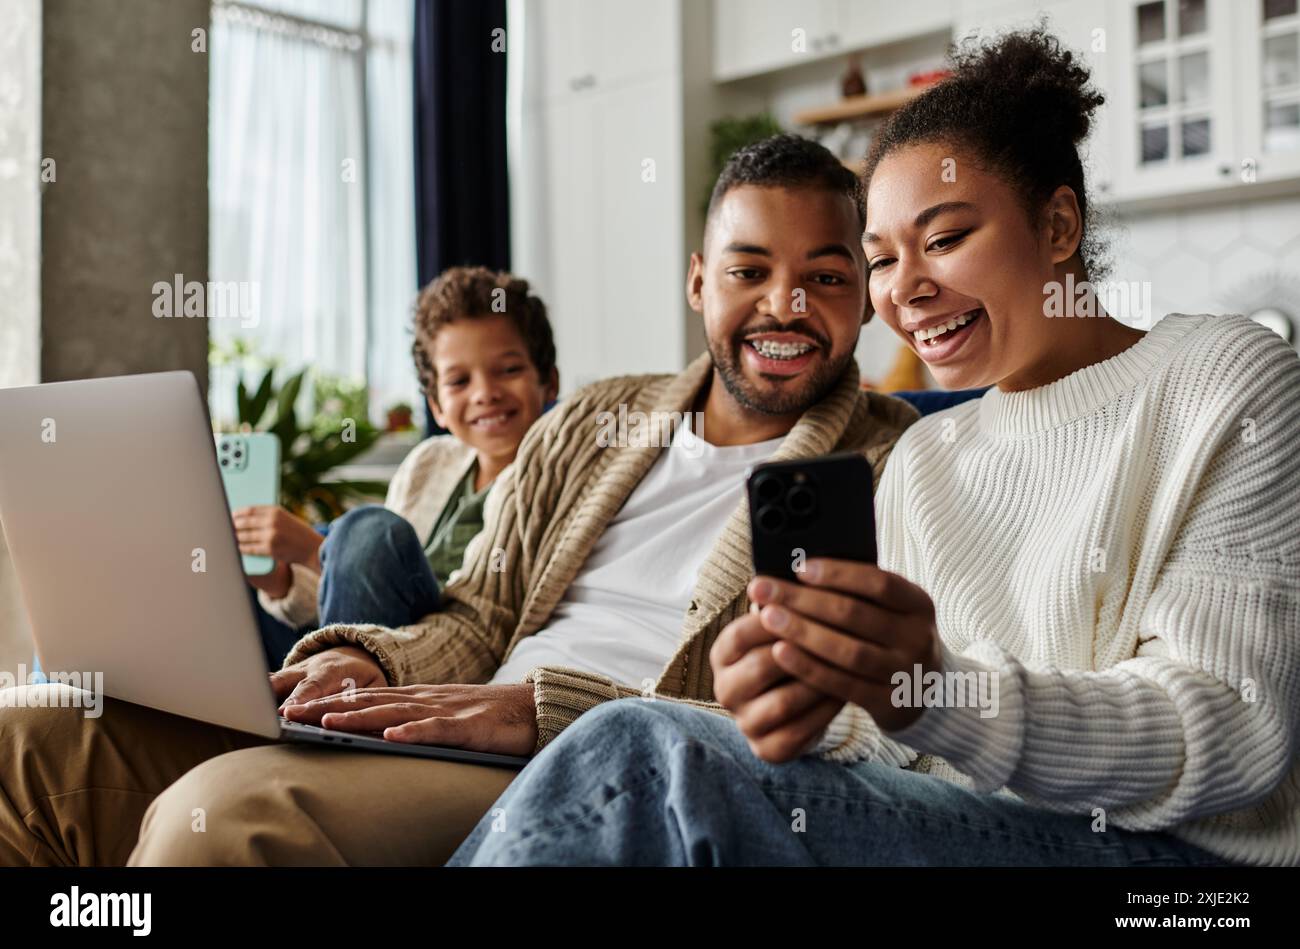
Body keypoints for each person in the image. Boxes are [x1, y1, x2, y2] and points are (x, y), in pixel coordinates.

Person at [448, 28, 1300, 867]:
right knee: (634, 738)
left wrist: (933, 689)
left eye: (943, 240)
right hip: (973, 827)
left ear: (1060, 225)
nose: (906, 291)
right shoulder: (930, 459)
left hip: (1179, 873)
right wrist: (803, 710)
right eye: (881, 260)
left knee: (640, 750)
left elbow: (1228, 730)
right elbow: (908, 748)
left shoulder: (1226, 378)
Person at [0, 134, 920, 865]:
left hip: (565, 768)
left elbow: (844, 729)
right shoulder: (596, 417)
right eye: (748, 270)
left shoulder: (892, 464)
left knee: (232, 817)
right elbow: (479, 607)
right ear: (697, 282)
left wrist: (542, 709)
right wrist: (374, 664)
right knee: (33, 736)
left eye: (826, 277)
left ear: (868, 297)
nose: (785, 304)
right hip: (443, 718)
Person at [237, 266, 559, 666]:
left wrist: (315, 551)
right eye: (459, 382)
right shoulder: (430, 462)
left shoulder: (552, 477)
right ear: (437, 406)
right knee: (236, 577)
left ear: (549, 382)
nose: (485, 394)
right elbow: (363, 597)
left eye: (508, 370)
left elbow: (481, 619)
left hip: (441, 658)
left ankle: (333, 702)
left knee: (369, 531)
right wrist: (279, 579)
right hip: (372, 641)